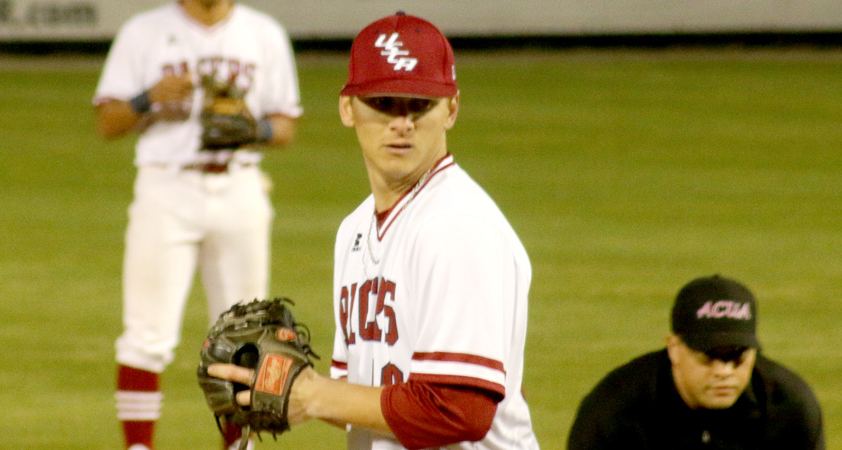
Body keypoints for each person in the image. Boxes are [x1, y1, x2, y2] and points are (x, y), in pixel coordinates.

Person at [207, 11, 540, 450]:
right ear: (348, 108)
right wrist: (283, 387)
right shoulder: (355, 230)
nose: (401, 122)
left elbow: (460, 411)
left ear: (452, 109)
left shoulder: (458, 226)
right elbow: (362, 401)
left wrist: (311, 392)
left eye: (419, 104)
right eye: (383, 103)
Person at [91, 1, 302, 449]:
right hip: (167, 189)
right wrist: (149, 97)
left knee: (245, 336)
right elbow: (108, 122)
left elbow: (285, 125)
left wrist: (255, 128)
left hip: (240, 187)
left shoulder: (263, 34)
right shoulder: (143, 32)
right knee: (146, 336)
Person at [567, 274, 826, 450]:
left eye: (738, 359)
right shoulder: (615, 410)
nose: (724, 372)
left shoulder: (789, 408)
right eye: (708, 357)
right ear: (674, 348)